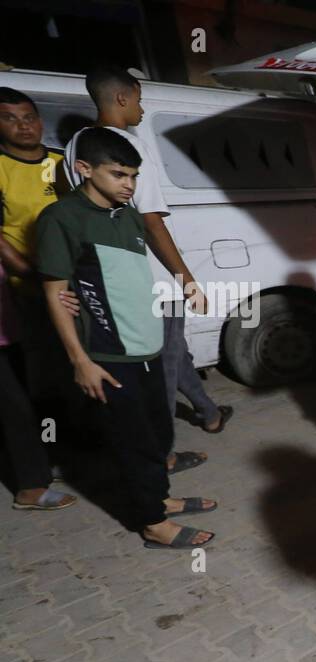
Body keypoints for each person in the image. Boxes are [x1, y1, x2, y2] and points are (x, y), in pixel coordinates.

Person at [36, 127, 216, 548]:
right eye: (118, 175)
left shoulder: (129, 215)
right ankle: (151, 523)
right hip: (109, 355)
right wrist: (81, 360)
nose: (129, 185)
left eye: (133, 176)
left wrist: (187, 285)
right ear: (84, 169)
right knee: (133, 441)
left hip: (147, 345)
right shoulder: (62, 219)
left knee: (157, 433)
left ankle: (160, 499)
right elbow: (53, 293)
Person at [63, 66, 232, 470]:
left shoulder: (74, 147)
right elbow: (152, 222)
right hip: (151, 279)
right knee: (164, 365)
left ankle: (208, 412)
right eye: (139, 100)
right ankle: (162, 453)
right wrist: (187, 281)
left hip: (109, 275)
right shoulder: (126, 148)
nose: (141, 109)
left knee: (177, 352)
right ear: (122, 97)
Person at [0, 87, 84, 452]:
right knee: (47, 369)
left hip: (73, 282)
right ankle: (59, 444)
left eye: (29, 117)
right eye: (10, 119)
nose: (23, 126)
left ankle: (92, 434)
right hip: (28, 289)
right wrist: (29, 273)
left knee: (83, 358)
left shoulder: (61, 162)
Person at [1, 257, 75, 510]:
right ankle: (30, 487)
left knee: (36, 401)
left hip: (11, 333)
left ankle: (45, 464)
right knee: (16, 411)